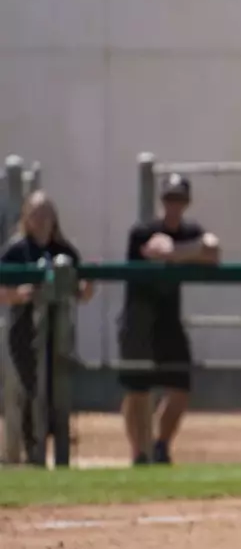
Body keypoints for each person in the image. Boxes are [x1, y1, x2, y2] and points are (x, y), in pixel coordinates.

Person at [118, 173, 220, 465]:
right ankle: (139, 452)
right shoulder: (142, 231)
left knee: (180, 386)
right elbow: (154, 250)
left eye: (179, 199)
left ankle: (161, 446)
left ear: (187, 202)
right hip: (138, 317)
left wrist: (176, 251)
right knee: (137, 390)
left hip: (168, 319)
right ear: (161, 201)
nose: (173, 205)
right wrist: (190, 252)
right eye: (169, 198)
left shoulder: (189, 230)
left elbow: (213, 249)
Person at [0, 193, 93, 464]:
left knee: (57, 393)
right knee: (27, 391)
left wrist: (86, 288)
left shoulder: (64, 250)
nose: (41, 221)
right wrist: (18, 294)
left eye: (46, 215)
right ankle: (28, 454)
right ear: (26, 218)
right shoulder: (16, 250)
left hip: (59, 334)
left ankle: (59, 453)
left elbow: (81, 290)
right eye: (36, 215)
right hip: (24, 332)